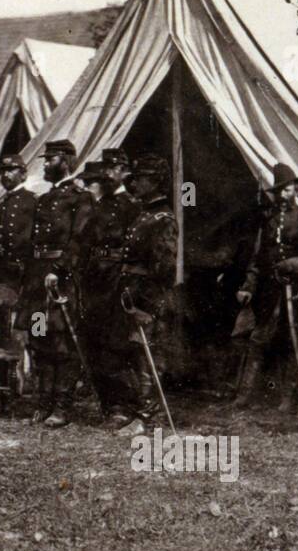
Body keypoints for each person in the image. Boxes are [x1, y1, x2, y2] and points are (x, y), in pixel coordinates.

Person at [231, 162, 298, 412]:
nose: (285, 195)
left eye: (290, 190)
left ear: (297, 191)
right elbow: (258, 258)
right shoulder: (268, 220)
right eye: (281, 191)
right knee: (257, 340)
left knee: (295, 341)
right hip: (270, 291)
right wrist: (248, 286)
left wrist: (295, 264)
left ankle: (289, 399)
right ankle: (244, 396)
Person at [17, 138, 94, 429]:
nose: (46, 165)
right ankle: (42, 403)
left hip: (61, 281)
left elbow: (79, 241)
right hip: (38, 279)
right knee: (39, 340)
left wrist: (59, 270)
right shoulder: (45, 199)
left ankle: (62, 406)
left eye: (50, 160)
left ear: (65, 161)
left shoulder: (80, 198)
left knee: (61, 343)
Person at [115, 154, 179, 420]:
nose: (135, 184)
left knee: (147, 355)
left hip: (148, 297)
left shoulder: (163, 218)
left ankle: (148, 415)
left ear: (155, 182)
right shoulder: (144, 214)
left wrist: (147, 307)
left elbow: (163, 270)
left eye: (141, 179)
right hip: (131, 292)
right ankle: (137, 408)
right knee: (133, 352)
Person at [74, 150, 137, 413]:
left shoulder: (133, 205)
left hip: (116, 278)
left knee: (114, 342)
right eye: (106, 168)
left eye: (115, 168)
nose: (108, 173)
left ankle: (123, 405)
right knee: (93, 339)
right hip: (94, 278)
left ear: (125, 172)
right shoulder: (99, 205)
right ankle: (106, 402)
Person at [0, 153, 37, 347]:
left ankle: (31, 364)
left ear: (23, 174)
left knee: (30, 321)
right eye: (3, 171)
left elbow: (38, 240)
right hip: (1, 273)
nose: (6, 175)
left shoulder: (33, 202)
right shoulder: (1, 205)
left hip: (24, 273)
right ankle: (2, 368)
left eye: (11, 170)